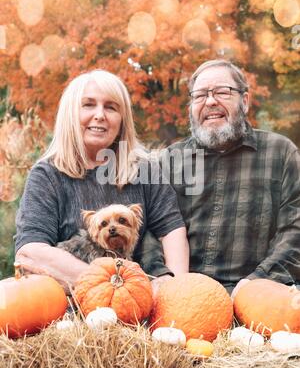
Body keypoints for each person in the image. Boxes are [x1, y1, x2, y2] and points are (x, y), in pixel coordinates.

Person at [15, 70, 189, 293]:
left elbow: (172, 230)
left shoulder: (144, 169)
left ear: (122, 119)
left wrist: (176, 290)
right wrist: (110, 285)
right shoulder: (47, 175)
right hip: (71, 304)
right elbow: (30, 251)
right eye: (88, 105)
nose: (100, 115)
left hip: (137, 305)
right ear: (70, 114)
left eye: (111, 107)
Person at [139, 59, 300, 297]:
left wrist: (256, 282)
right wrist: (163, 276)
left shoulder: (281, 152)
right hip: (181, 297)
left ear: (244, 101)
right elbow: (146, 229)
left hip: (258, 295)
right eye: (200, 95)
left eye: (223, 92)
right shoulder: (168, 160)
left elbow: (295, 231)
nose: (211, 101)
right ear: (191, 106)